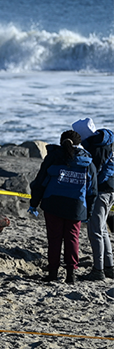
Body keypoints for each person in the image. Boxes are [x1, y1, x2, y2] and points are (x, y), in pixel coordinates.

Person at [29, 129, 98, 285]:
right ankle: (71, 274)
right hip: (76, 206)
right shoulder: (87, 162)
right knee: (72, 239)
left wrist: (34, 204)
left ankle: (53, 272)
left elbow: (40, 181)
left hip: (52, 203)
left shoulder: (53, 157)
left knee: (54, 239)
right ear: (80, 144)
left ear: (61, 142)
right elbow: (92, 191)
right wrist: (89, 212)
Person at [72, 118, 114, 280]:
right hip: (110, 190)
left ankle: (98, 270)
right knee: (102, 229)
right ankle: (108, 266)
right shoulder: (104, 142)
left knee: (95, 231)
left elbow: (93, 173)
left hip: (101, 192)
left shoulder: (97, 148)